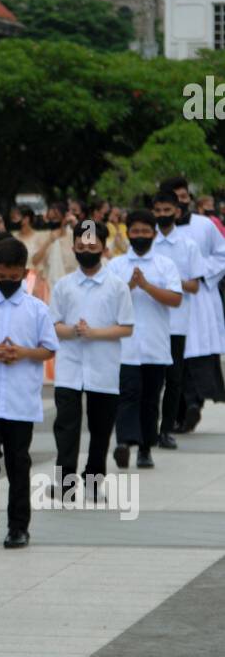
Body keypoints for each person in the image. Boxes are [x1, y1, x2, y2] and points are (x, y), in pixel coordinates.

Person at [0, 237, 58, 548]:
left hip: (20, 399)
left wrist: (21, 352)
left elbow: (48, 350)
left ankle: (19, 526)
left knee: (19, 462)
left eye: (13, 277)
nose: (7, 281)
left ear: (24, 272)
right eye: (1, 277)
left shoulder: (36, 309)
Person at [49, 220, 134, 501]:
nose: (87, 250)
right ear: (73, 247)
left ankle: (94, 481)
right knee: (66, 428)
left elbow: (126, 327)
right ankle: (65, 483)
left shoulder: (117, 286)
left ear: (104, 248)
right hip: (70, 368)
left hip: (103, 368)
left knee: (100, 429)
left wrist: (93, 333)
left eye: (92, 245)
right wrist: (74, 330)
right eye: (81, 245)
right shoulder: (63, 286)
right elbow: (53, 325)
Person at [107, 210, 182, 470]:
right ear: (128, 233)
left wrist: (147, 286)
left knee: (150, 399)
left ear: (154, 234)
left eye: (145, 232)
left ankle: (146, 449)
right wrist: (129, 285)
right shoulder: (116, 265)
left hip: (155, 345)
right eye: (135, 231)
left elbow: (176, 299)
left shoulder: (165, 264)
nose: (140, 236)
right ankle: (124, 443)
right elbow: (108, 300)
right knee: (127, 394)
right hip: (125, 347)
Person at [160, 176, 225, 431]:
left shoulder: (205, 226)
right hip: (167, 302)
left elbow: (221, 254)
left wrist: (199, 272)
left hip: (197, 299)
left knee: (196, 354)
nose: (181, 202)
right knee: (173, 358)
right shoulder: (156, 230)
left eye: (185, 197)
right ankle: (180, 411)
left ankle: (193, 404)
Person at [152, 190, 203, 449]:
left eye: (167, 211)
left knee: (173, 379)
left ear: (178, 212)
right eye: (158, 211)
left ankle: (167, 429)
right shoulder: (145, 241)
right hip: (149, 322)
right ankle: (148, 428)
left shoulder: (188, 246)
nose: (162, 216)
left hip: (176, 322)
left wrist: (172, 282)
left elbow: (194, 285)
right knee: (150, 378)